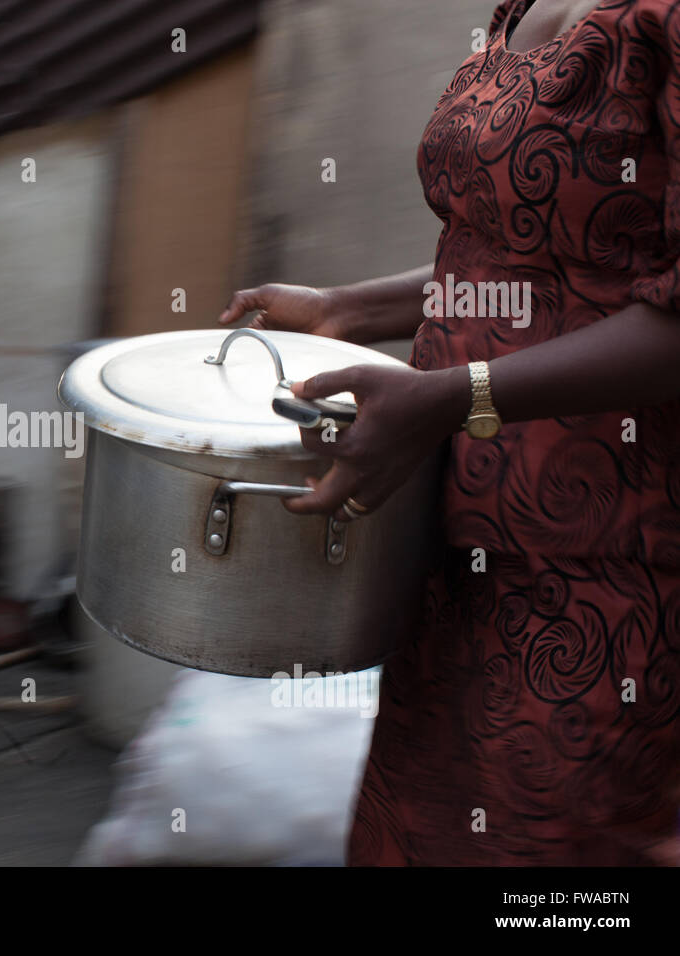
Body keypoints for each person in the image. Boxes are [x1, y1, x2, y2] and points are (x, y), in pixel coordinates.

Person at [220, 0, 680, 865]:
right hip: (456, 537)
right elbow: (511, 253)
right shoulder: (521, 6)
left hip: (604, 569)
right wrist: (346, 308)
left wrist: (450, 395)